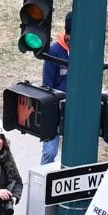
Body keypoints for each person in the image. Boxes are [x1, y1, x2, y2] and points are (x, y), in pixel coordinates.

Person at [40, 13, 71, 164]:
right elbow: (47, 84)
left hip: (76, 108)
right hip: (56, 107)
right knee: (50, 151)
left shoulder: (86, 50)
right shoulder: (54, 51)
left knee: (73, 151)